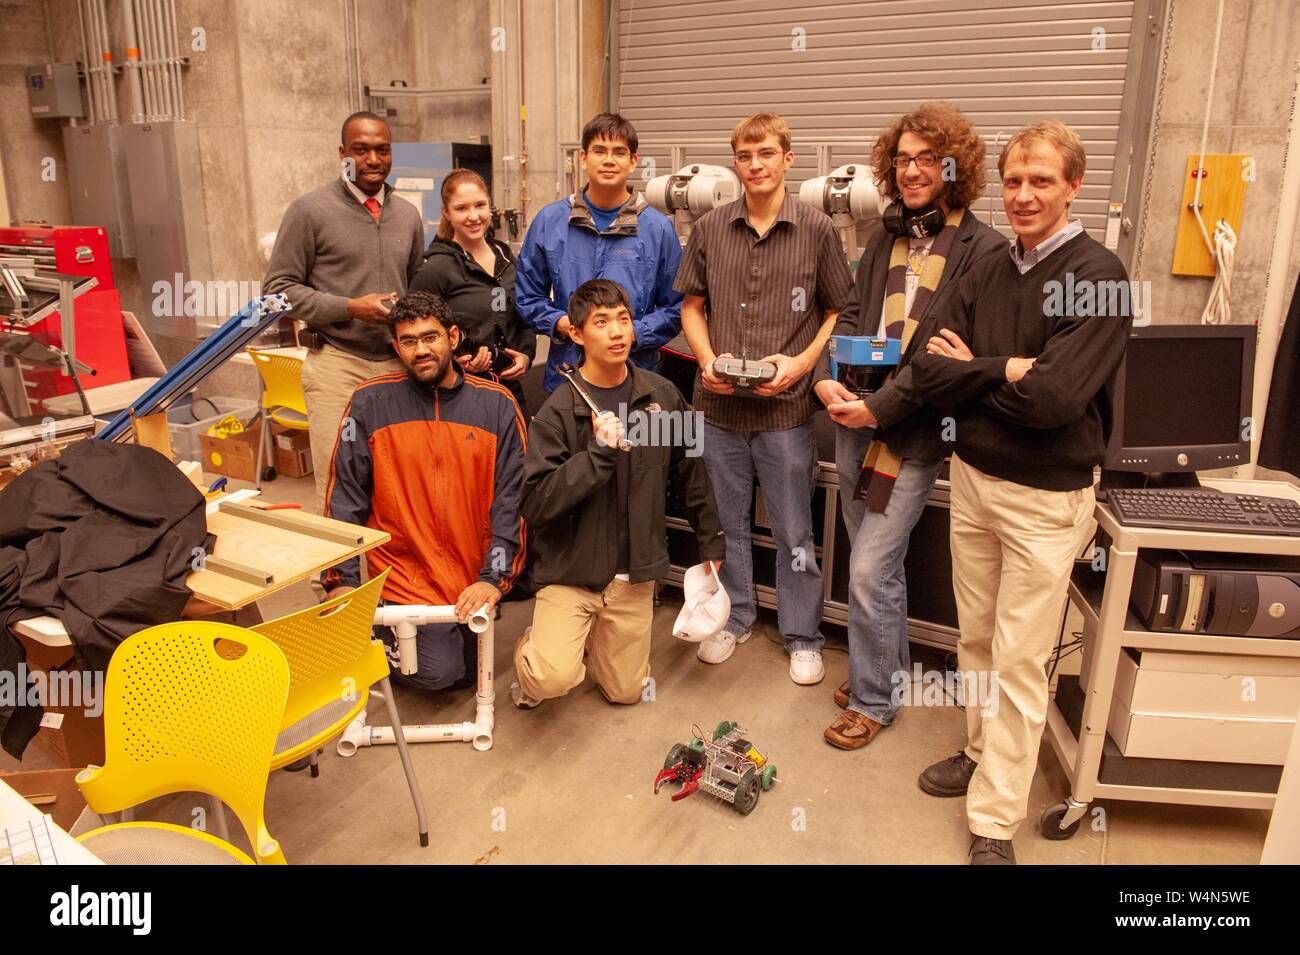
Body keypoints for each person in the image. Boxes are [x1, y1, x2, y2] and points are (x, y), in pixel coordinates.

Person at [908, 120, 1132, 864]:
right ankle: (979, 750)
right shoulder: (987, 266)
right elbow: (931, 366)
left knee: (1019, 659)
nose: (1024, 194)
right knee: (974, 637)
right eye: (1013, 181)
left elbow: (1056, 400)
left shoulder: (1098, 277)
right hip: (973, 478)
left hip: (1045, 495)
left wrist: (981, 371)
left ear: (1074, 185)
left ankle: (995, 820)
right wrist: (1007, 369)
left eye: (1041, 180)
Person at [811, 103, 1007, 750]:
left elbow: (946, 353)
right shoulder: (886, 237)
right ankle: (884, 673)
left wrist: (881, 406)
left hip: (915, 431)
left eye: (928, 159)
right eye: (903, 160)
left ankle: (871, 699)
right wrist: (834, 373)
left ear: (955, 166)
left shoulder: (983, 250)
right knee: (877, 565)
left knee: (867, 568)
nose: (914, 171)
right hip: (854, 418)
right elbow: (854, 313)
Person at [674, 111, 853, 685]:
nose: (756, 165)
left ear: (788, 159)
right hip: (719, 408)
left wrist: (800, 365)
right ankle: (736, 615)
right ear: (736, 162)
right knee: (726, 524)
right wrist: (706, 361)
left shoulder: (818, 229)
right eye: (746, 156)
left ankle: (803, 635)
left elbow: (839, 311)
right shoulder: (708, 229)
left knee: (793, 530)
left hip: (784, 411)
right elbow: (691, 306)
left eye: (767, 154)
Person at [511, 279, 724, 708]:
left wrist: (711, 543)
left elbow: (692, 471)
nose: (616, 332)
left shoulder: (661, 398)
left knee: (628, 693)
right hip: (571, 574)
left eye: (623, 320)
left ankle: (588, 643)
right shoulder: (558, 410)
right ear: (576, 334)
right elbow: (535, 503)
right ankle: (540, 650)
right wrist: (597, 455)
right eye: (601, 322)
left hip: (632, 576)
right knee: (552, 678)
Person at [323, 291, 526, 692]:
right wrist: (342, 580)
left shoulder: (498, 405)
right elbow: (344, 499)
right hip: (402, 578)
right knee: (438, 675)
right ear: (395, 347)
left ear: (452, 337)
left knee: (466, 675)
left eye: (430, 337)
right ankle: (374, 633)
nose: (421, 350)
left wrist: (493, 579)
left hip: (467, 578)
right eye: (409, 341)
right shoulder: (369, 402)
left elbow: (512, 503)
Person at [264, 111, 424, 513]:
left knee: (395, 478)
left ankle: (391, 575)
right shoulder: (308, 212)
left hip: (395, 365)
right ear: (343, 154)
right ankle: (334, 578)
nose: (373, 159)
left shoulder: (407, 214)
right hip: (337, 362)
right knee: (339, 478)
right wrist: (349, 308)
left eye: (382, 150)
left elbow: (418, 286)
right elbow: (277, 293)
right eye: (361, 149)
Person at [515, 112, 683, 392]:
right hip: (568, 377)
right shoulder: (549, 221)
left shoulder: (658, 229)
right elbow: (527, 296)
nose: (608, 160)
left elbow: (677, 307)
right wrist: (564, 324)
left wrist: (630, 334)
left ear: (633, 161)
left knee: (635, 438)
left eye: (619, 152)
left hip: (636, 380)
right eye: (599, 151)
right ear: (583, 157)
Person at [409, 169, 536, 413]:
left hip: (509, 393)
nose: (473, 216)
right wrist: (452, 360)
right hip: (456, 396)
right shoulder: (436, 268)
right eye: (462, 208)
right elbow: (414, 333)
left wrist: (525, 355)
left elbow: (525, 319)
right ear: (446, 212)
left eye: (480, 205)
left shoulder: (508, 262)